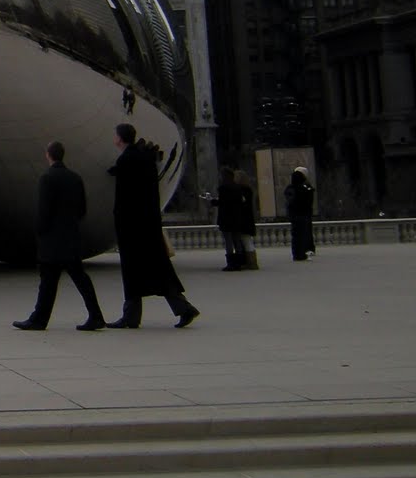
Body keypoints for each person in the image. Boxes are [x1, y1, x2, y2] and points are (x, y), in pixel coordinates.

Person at [107, 124, 199, 329]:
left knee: (131, 271)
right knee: (160, 270)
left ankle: (131, 315)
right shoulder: (145, 159)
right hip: (149, 224)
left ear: (120, 139)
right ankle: (183, 307)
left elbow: (124, 197)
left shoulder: (125, 160)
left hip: (132, 226)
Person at [14, 141, 107, 331]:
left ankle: (39, 319)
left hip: (52, 239)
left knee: (48, 281)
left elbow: (44, 211)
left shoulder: (47, 178)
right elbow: (82, 209)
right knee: (80, 278)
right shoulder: (75, 178)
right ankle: (96, 315)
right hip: (71, 236)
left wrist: (40, 232)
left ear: (48, 155)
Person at [212, 166, 258, 271]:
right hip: (237, 219)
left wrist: (214, 202)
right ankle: (240, 261)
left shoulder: (224, 188)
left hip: (227, 219)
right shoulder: (239, 189)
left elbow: (223, 203)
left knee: (229, 241)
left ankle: (232, 263)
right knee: (237, 241)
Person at [285, 165, 316, 261]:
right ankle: (302, 252)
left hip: (294, 214)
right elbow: (308, 199)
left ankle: (297, 253)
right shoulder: (304, 188)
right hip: (303, 214)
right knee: (303, 234)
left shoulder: (290, 188)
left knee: (296, 235)